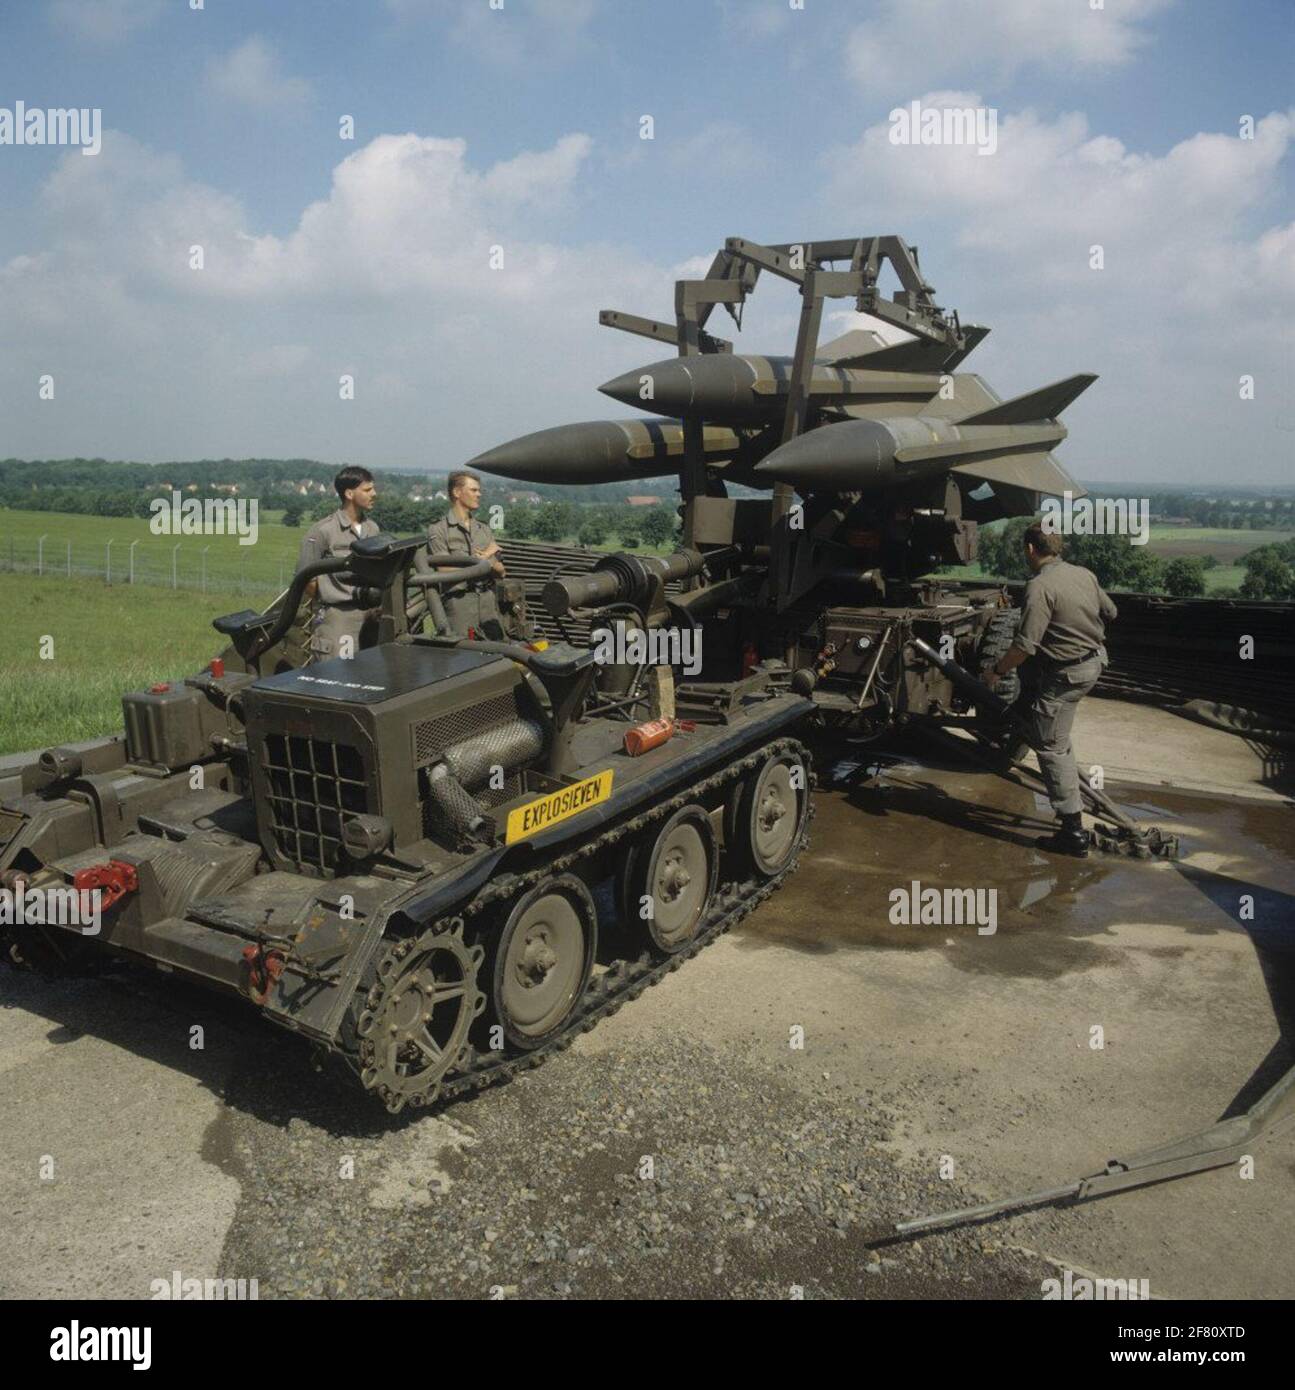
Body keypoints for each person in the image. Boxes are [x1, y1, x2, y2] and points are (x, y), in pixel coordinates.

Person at [985, 523, 1118, 857]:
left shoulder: (1039, 586)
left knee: (1050, 747)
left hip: (1067, 675)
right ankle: (1071, 794)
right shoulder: (1083, 574)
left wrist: (996, 671)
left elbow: (1025, 646)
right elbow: (1111, 611)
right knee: (1057, 735)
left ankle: (1072, 832)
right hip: (1093, 662)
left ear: (1031, 549)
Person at [296, 466, 380, 662]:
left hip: (370, 618)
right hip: (339, 619)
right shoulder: (323, 531)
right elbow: (305, 578)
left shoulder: (372, 528)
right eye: (367, 490)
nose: (374, 494)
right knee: (338, 681)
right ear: (349, 493)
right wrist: (331, 595)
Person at [417, 469, 506, 639]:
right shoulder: (439, 529)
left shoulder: (483, 529)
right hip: (459, 606)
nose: (479, 494)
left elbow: (501, 571)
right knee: (462, 656)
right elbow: (445, 571)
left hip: (487, 604)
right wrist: (483, 558)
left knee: (496, 655)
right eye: (474, 490)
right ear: (457, 492)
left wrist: (486, 561)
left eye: (479, 490)